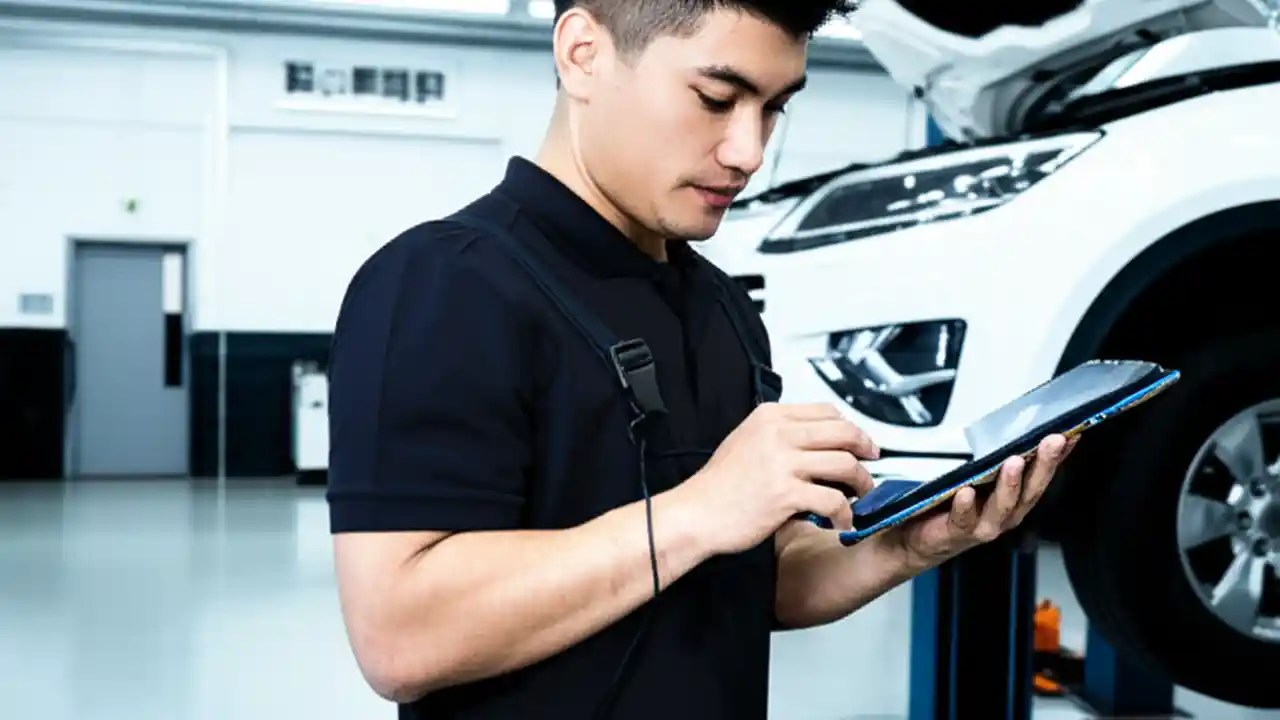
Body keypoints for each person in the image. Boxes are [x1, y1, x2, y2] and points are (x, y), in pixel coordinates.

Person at [324, 1, 1079, 718]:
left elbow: (756, 577)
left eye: (775, 107)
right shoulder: (444, 285)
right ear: (583, 53)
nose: (749, 151)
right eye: (717, 98)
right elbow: (402, 634)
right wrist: (700, 510)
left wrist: (902, 547)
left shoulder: (722, 307)